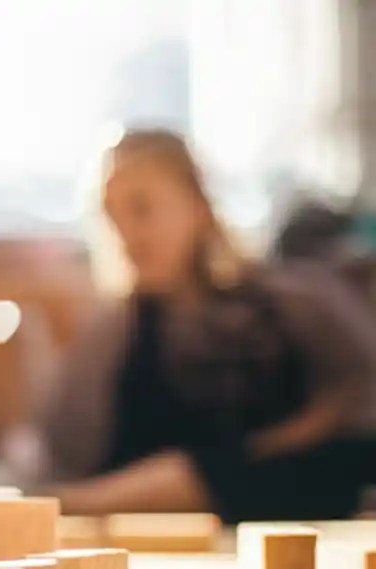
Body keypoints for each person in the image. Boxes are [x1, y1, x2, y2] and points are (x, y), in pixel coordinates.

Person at [35, 129, 376, 523]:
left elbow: (357, 393)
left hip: (277, 494)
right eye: (111, 216)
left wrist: (255, 453)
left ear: (198, 207)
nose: (126, 234)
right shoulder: (110, 335)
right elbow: (68, 457)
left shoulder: (293, 302)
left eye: (142, 209)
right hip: (150, 523)